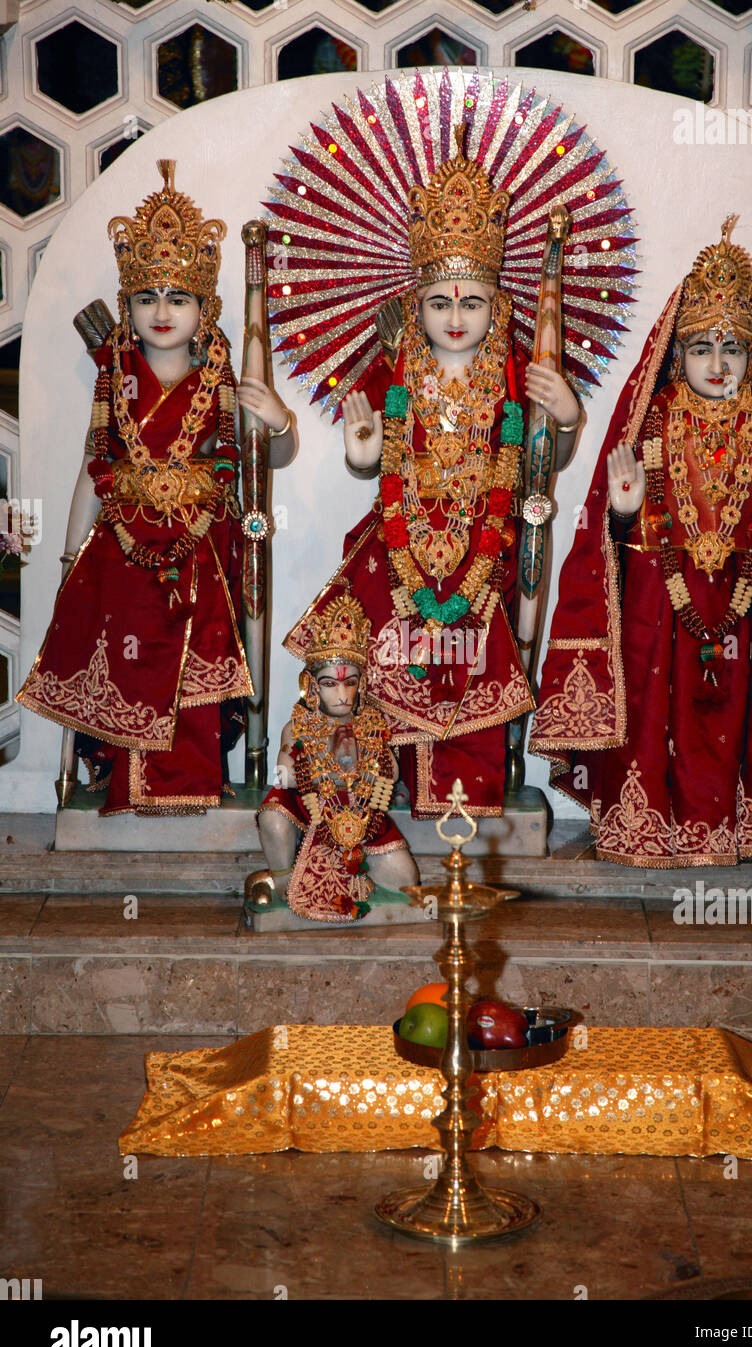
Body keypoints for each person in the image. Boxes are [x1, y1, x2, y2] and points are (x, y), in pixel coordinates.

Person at [529, 217, 752, 865]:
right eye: (702, 347)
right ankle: (657, 829)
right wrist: (623, 513)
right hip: (659, 604)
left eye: (732, 349)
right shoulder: (655, 417)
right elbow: (616, 535)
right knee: (658, 718)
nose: (718, 363)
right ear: (678, 354)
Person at [285, 134, 582, 818]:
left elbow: (538, 464)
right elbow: (373, 463)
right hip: (400, 547)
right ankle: (373, 800)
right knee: (385, 658)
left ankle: (467, 799)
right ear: (415, 304)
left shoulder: (512, 368)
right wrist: (361, 447)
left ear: (497, 307)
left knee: (474, 659)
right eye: (440, 303)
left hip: (483, 544)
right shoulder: (399, 367)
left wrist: (563, 415)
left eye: (471, 303)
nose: (454, 319)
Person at [18, 161, 296, 814]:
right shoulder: (113, 378)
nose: (163, 311)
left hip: (201, 548)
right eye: (148, 298)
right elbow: (95, 469)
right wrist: (66, 557)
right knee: (120, 660)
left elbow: (259, 457)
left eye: (178, 297)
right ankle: (120, 779)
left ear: (205, 308)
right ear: (128, 307)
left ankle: (199, 784)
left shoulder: (221, 378)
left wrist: (278, 422)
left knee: (194, 666)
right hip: (121, 548)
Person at [249, 594, 419, 922]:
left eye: (349, 683)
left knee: (405, 880)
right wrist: (326, 764)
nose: (341, 695)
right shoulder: (298, 726)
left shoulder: (371, 721)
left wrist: (364, 763)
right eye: (330, 684)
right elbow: (282, 777)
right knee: (272, 816)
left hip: (364, 816)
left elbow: (392, 771)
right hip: (312, 811)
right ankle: (285, 881)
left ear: (361, 684)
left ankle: (354, 878)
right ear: (312, 686)